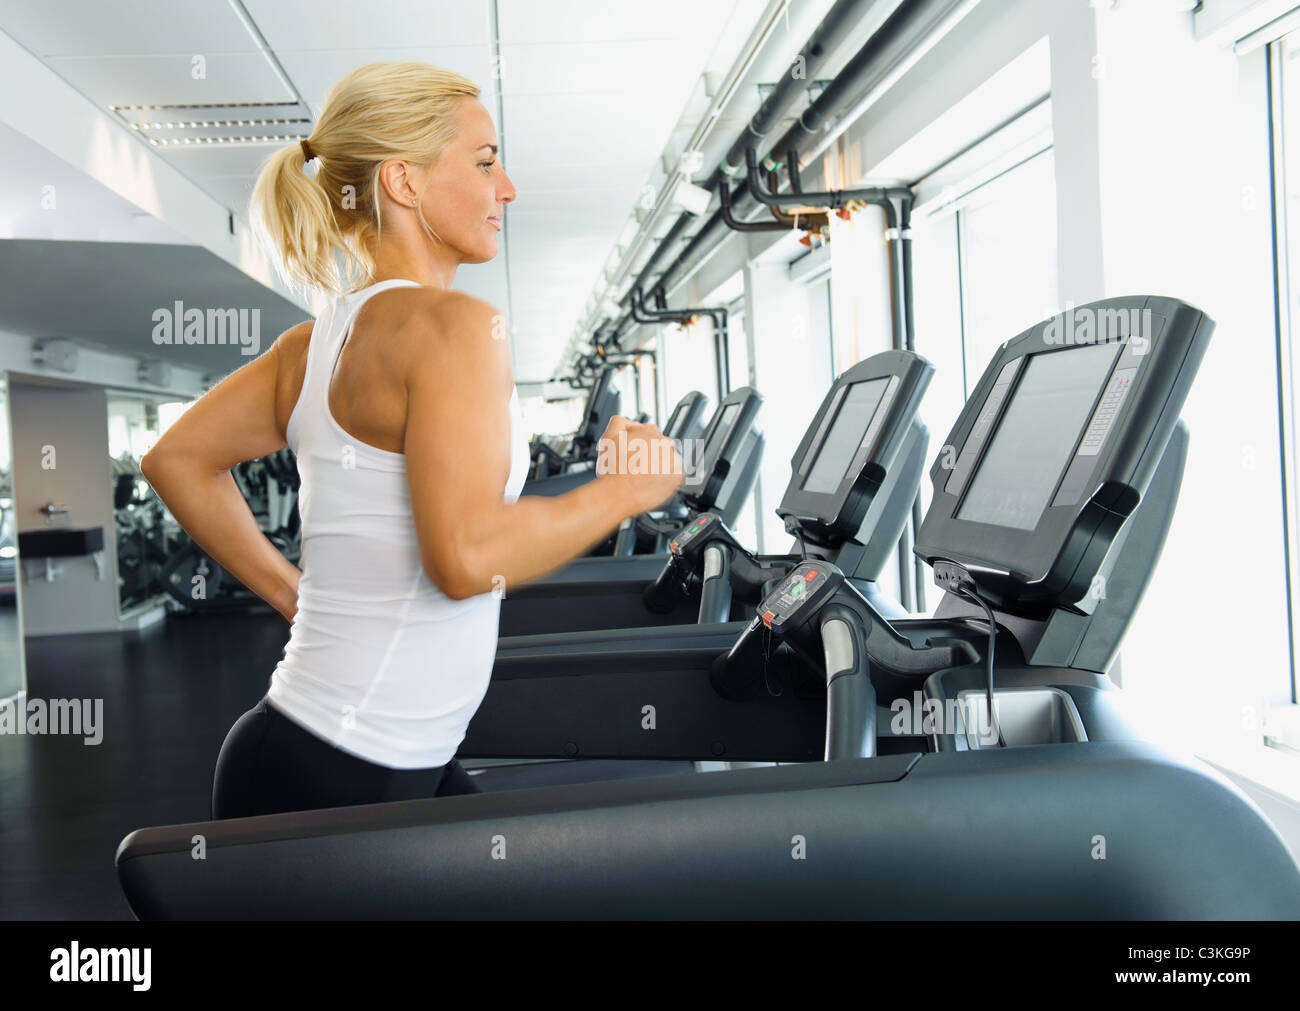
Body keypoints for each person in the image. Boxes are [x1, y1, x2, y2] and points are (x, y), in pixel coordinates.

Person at [141, 62, 682, 820]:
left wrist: (291, 595)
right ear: (403, 182)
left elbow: (175, 459)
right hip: (345, 766)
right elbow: (464, 560)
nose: (509, 189)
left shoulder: (315, 343)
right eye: (486, 162)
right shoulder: (451, 327)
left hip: (329, 750)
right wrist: (624, 491)